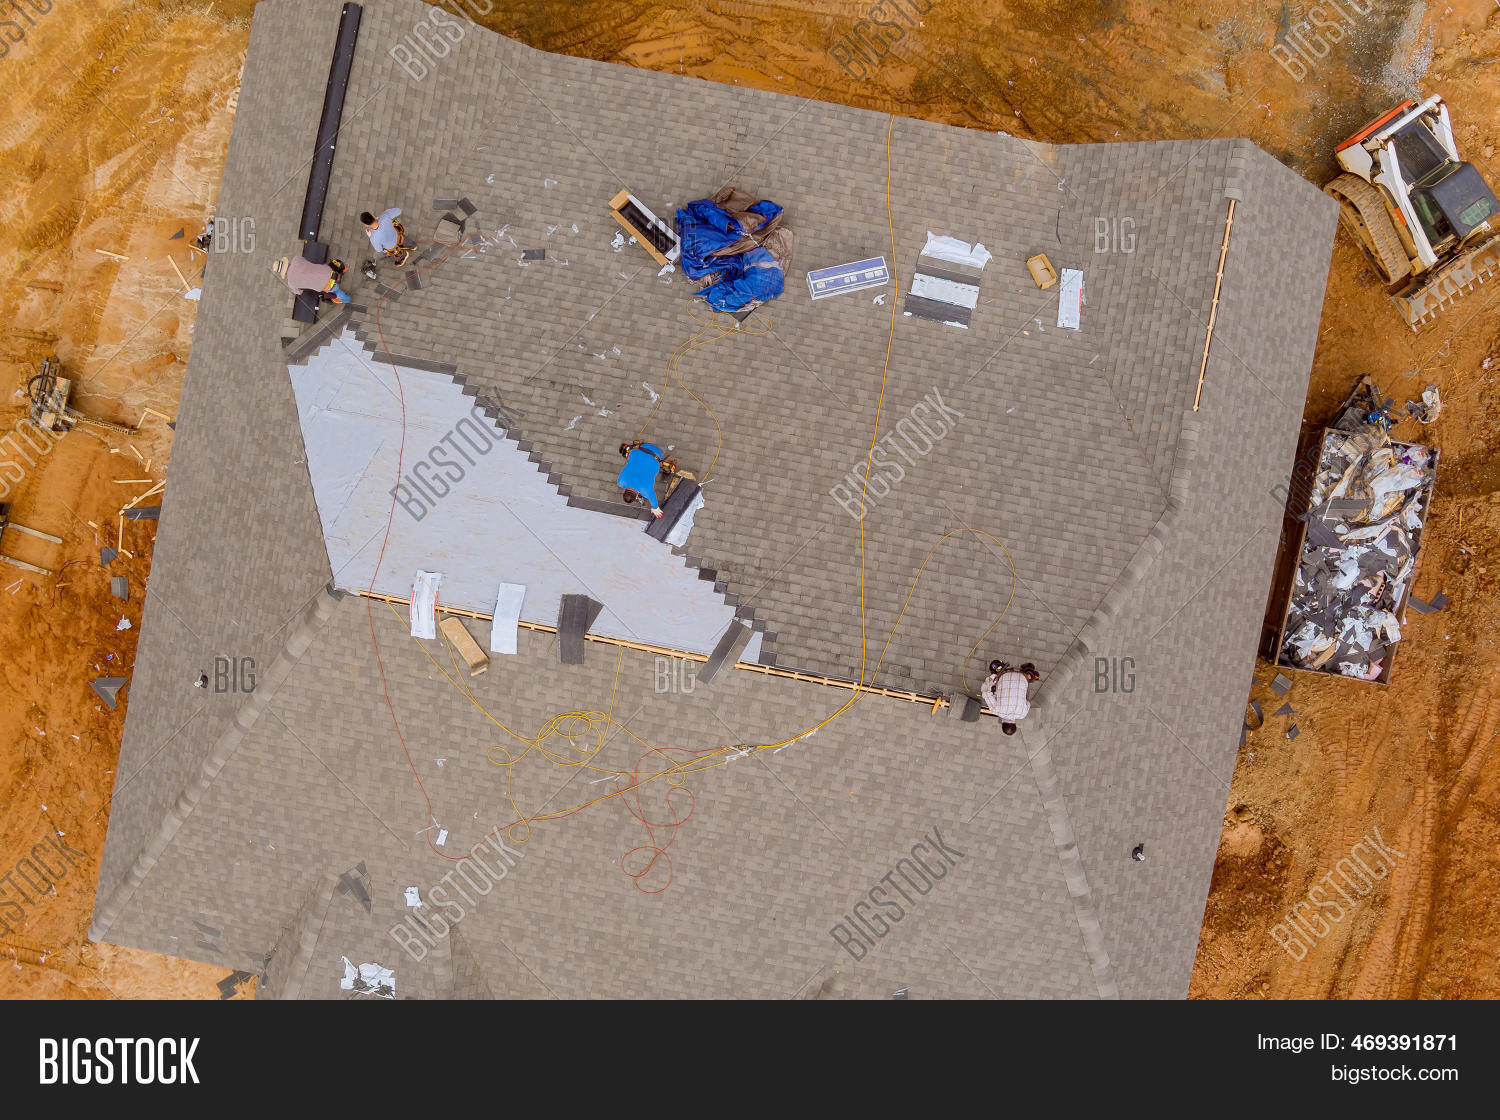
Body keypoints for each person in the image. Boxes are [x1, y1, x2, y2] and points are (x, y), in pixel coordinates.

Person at [617, 440, 674, 518]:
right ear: (624, 491)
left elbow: (653, 499)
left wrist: (655, 508)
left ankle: (669, 464)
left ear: (637, 495)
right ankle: (642, 442)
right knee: (630, 458)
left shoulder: (646, 491)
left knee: (666, 467)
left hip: (657, 454)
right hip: (641, 448)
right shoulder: (620, 482)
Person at [982, 659, 1039, 734]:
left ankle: (1027, 670)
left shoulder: (1023, 714)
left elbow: (1028, 703)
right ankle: (1000, 666)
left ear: (1015, 724)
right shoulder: (996, 711)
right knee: (988, 686)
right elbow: (986, 693)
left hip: (1023, 676)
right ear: (1002, 724)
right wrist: (990, 684)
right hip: (1004, 673)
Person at [273, 254, 349, 304]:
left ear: (282, 272)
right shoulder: (296, 259)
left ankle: (347, 299)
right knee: (323, 269)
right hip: (329, 271)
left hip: (328, 285)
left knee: (337, 292)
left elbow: (299, 292)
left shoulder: (291, 283)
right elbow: (306, 261)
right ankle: (339, 274)